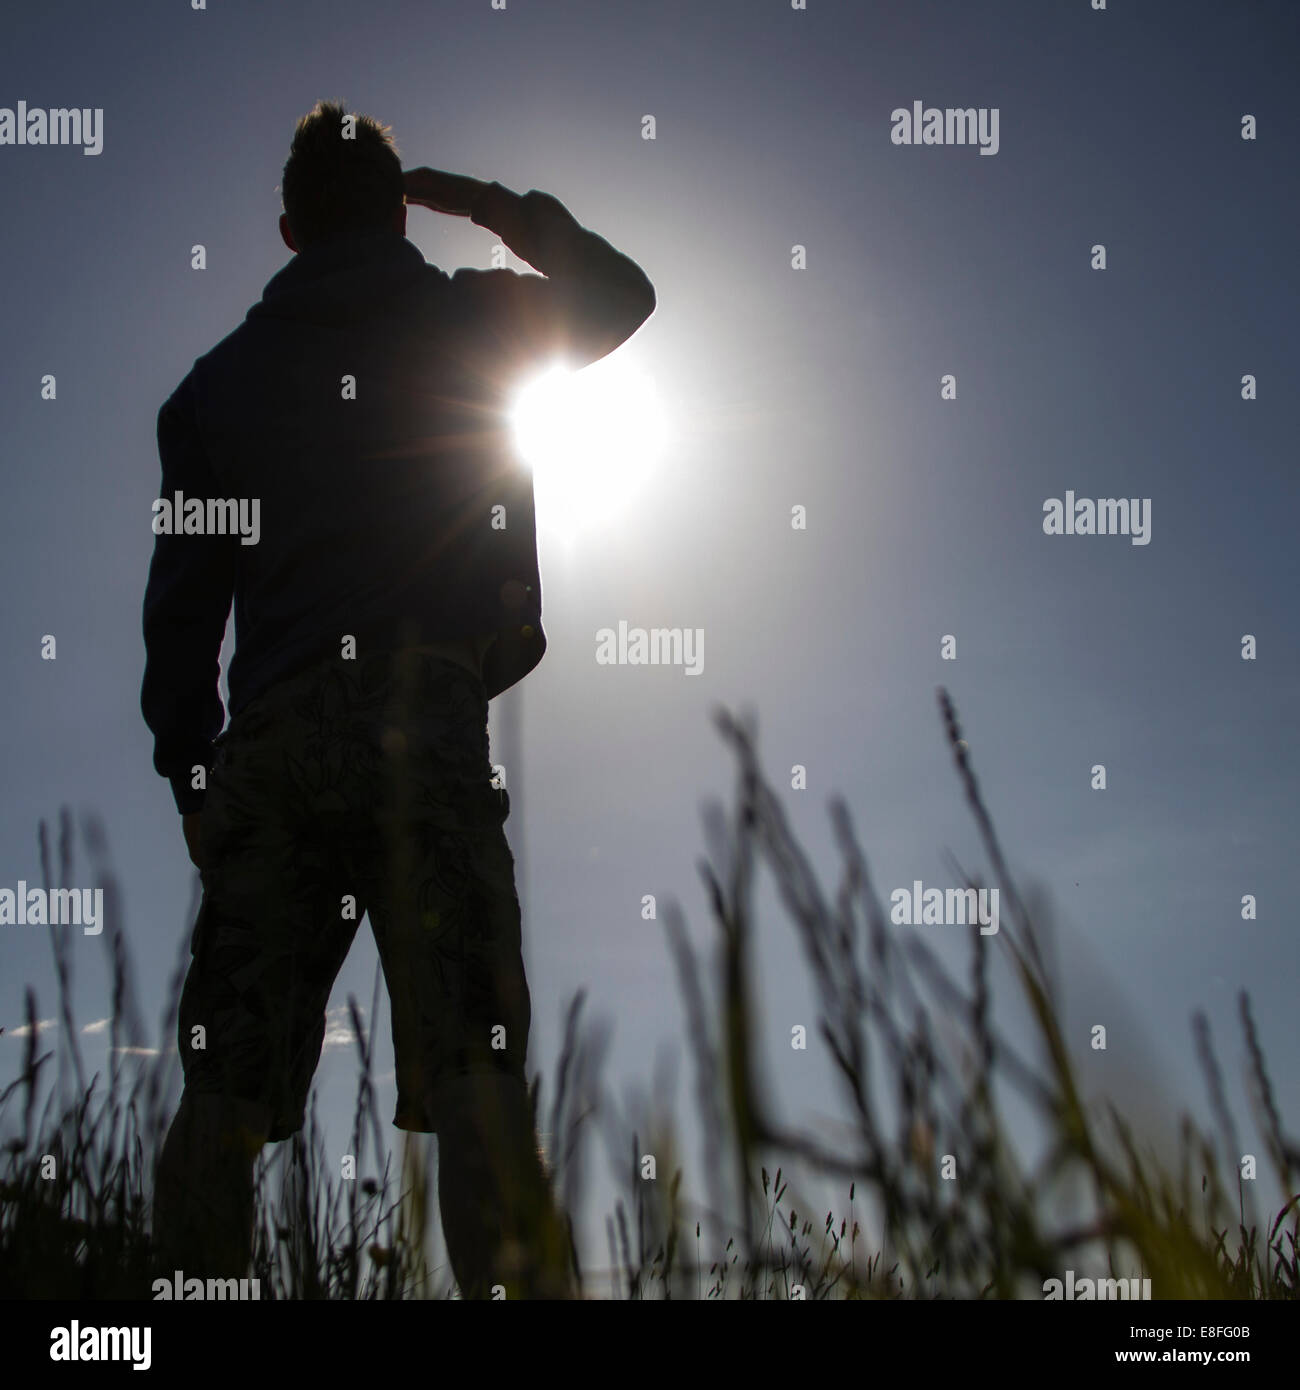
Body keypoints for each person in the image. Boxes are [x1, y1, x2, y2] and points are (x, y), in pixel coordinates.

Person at [141, 99, 655, 1298]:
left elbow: (183, 609)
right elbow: (621, 295)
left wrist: (192, 771)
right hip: (424, 724)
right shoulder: (476, 317)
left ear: (284, 229)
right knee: (477, 1082)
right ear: (396, 204)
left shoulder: (210, 393)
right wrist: (482, 203)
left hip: (270, 745)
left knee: (222, 1093)